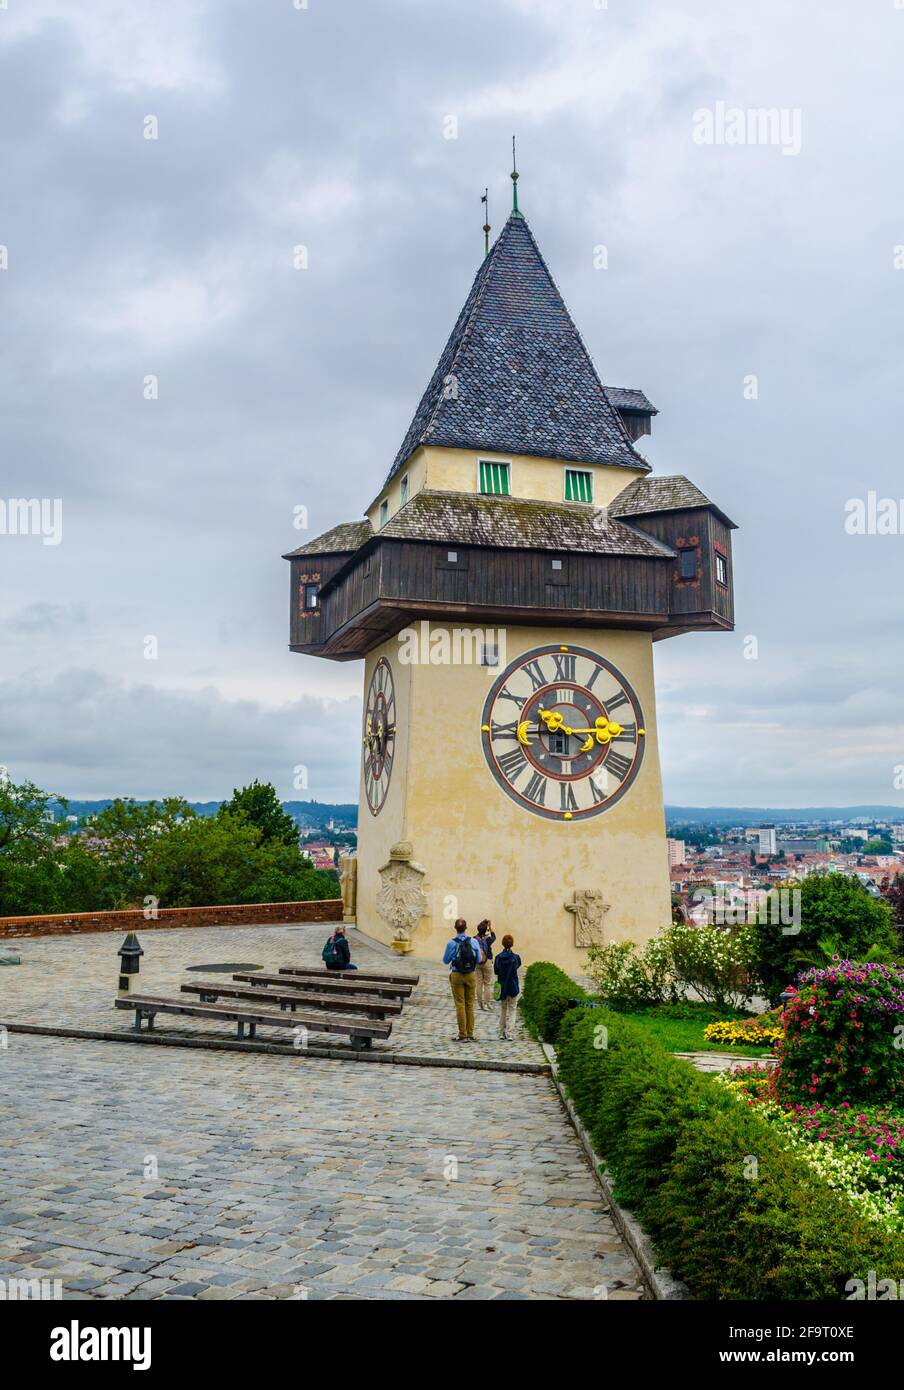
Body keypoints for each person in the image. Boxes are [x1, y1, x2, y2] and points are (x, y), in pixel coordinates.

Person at [442, 918, 478, 1041]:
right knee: (470, 1004)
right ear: (466, 928)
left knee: (460, 1004)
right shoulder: (473, 942)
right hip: (470, 974)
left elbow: (445, 960)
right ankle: (470, 1033)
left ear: (455, 928)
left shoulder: (451, 943)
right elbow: (478, 959)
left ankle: (462, 1034)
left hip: (457, 974)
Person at [493, 934, 522, 1040]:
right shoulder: (516, 957)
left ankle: (501, 1032)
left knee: (503, 1009)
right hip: (513, 985)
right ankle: (510, 1033)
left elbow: (496, 971)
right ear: (512, 944)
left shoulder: (498, 958)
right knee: (512, 1009)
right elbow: (517, 966)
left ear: (503, 943)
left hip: (502, 986)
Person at [474, 919, 496, 1011]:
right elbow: (494, 936)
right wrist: (490, 927)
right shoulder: (488, 939)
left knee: (479, 983)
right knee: (487, 983)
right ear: (485, 930)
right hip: (487, 961)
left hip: (478, 962)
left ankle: (480, 1003)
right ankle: (487, 1003)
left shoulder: (474, 939)